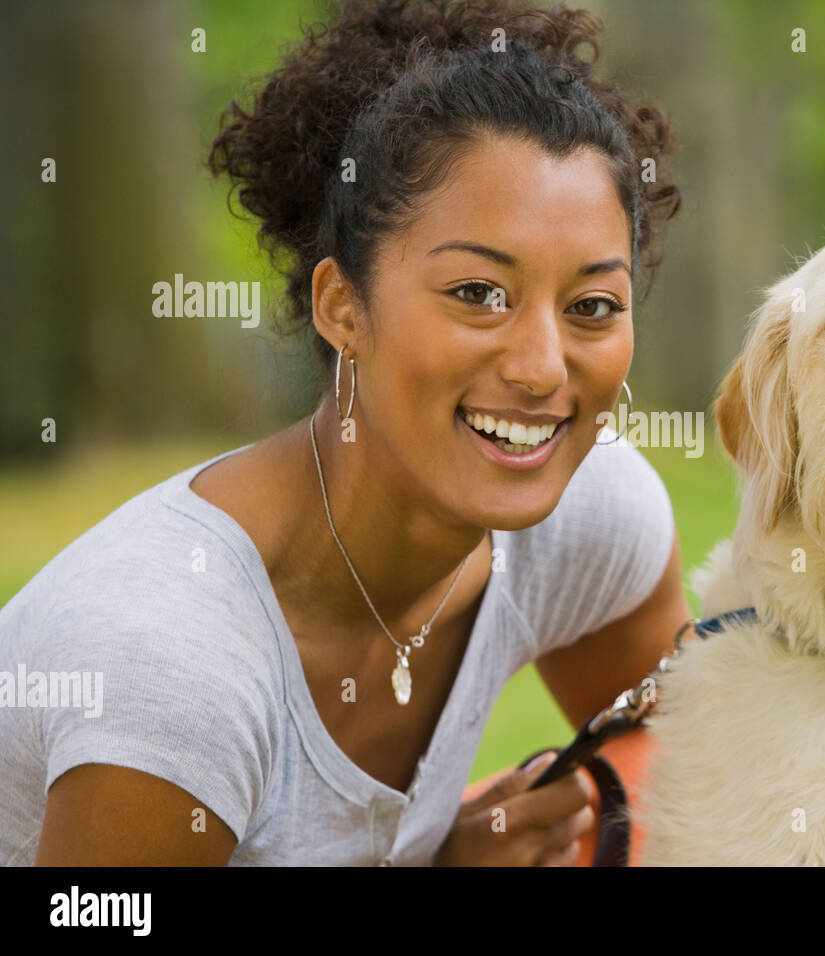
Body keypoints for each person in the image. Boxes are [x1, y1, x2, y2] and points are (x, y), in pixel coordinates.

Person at [0, 0, 688, 866]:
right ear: (342, 306)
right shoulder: (173, 668)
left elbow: (701, 765)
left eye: (591, 306)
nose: (542, 367)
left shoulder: (589, 513)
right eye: (478, 294)